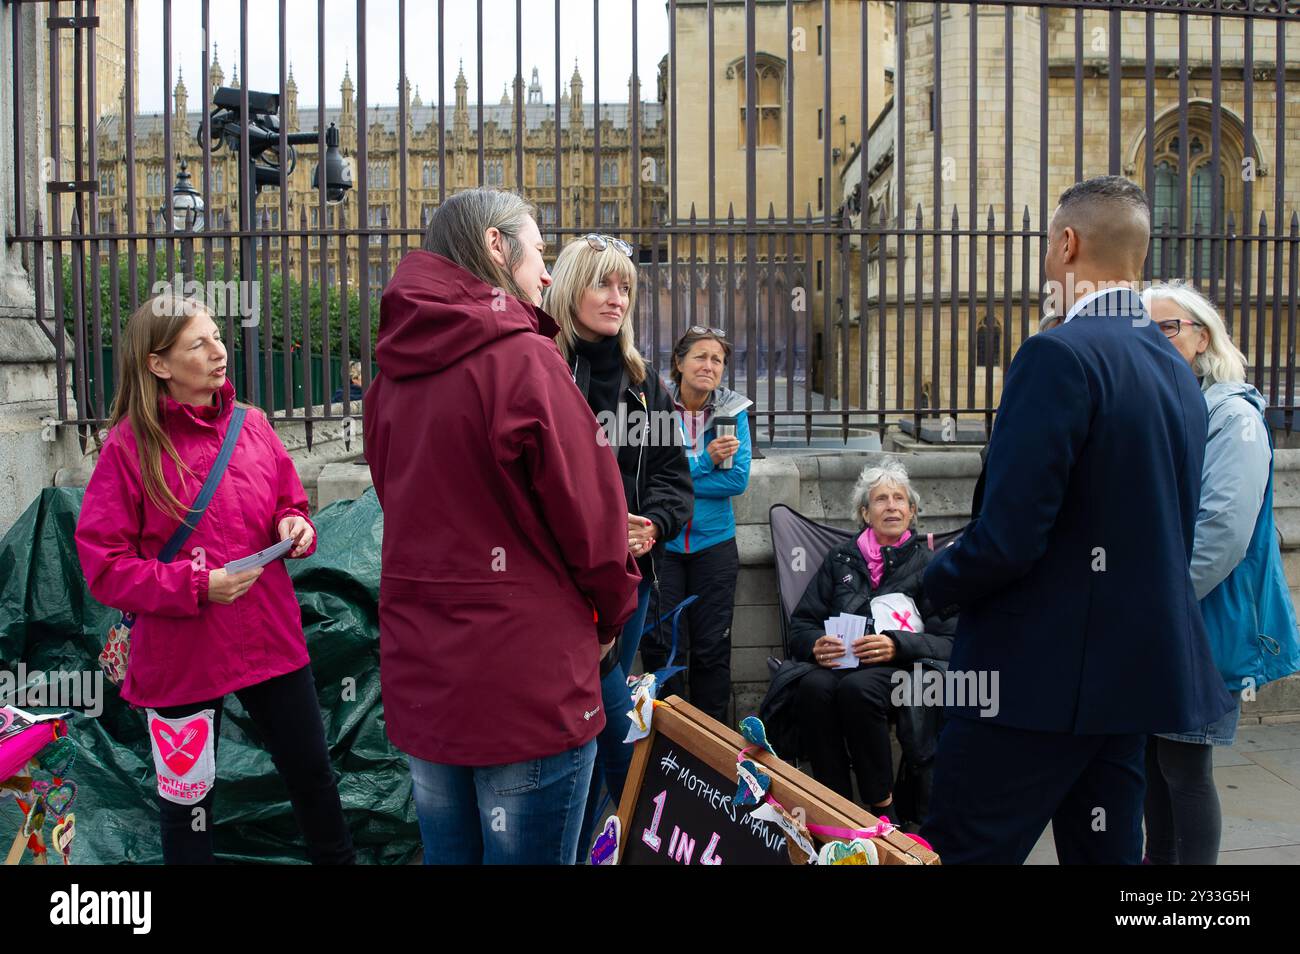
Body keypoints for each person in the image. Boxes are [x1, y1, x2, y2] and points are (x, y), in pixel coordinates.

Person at [920, 176, 1233, 865]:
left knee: (961, 851)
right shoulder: (1175, 369)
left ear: (1066, 243)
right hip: (1129, 677)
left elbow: (1009, 539)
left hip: (1035, 681)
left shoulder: (1057, 354)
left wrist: (921, 587)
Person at [364, 191, 640, 865]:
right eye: (540, 251)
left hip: (427, 679)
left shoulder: (389, 373)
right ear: (496, 246)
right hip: (528, 687)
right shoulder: (524, 358)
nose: (547, 274)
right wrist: (611, 614)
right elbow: (596, 523)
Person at [75, 292, 355, 865]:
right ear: (158, 364)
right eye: (197, 343)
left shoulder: (252, 426)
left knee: (313, 777)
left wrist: (295, 524)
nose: (219, 352)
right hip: (182, 654)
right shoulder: (127, 449)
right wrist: (197, 585)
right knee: (188, 807)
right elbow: (104, 566)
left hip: (269, 638)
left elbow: (289, 500)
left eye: (218, 337)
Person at [1140, 281, 1300, 864]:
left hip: (1202, 616)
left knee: (1184, 764)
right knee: (1156, 764)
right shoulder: (1173, 407)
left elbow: (1221, 533)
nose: (1154, 339)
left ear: (1202, 337)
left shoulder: (1234, 416)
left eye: (1168, 327)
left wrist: (1164, 606)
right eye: (1145, 330)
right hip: (1171, 612)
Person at [544, 233, 693, 859]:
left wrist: (652, 524)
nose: (616, 297)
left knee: (601, 726)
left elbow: (672, 475)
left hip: (625, 584)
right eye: (603, 283)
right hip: (554, 589)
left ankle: (596, 842)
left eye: (626, 286)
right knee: (597, 730)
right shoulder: (541, 365)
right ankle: (612, 839)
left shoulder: (640, 381)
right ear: (572, 285)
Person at [786, 460, 956, 822]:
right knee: (813, 687)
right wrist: (816, 644)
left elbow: (951, 641)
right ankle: (836, 806)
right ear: (865, 512)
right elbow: (801, 625)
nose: (891, 506)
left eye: (899, 499)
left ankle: (883, 808)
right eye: (880, 499)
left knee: (858, 690)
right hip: (842, 664)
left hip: (904, 669)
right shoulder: (840, 559)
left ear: (911, 511)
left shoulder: (930, 565)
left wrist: (898, 645)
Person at [640, 326, 751, 722]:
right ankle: (665, 741)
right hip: (664, 544)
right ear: (680, 362)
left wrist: (679, 478)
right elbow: (648, 476)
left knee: (711, 649)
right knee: (662, 646)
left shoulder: (733, 412)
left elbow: (736, 480)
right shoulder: (657, 407)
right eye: (700, 356)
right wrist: (704, 464)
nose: (709, 365)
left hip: (714, 547)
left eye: (717, 359)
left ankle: (712, 747)